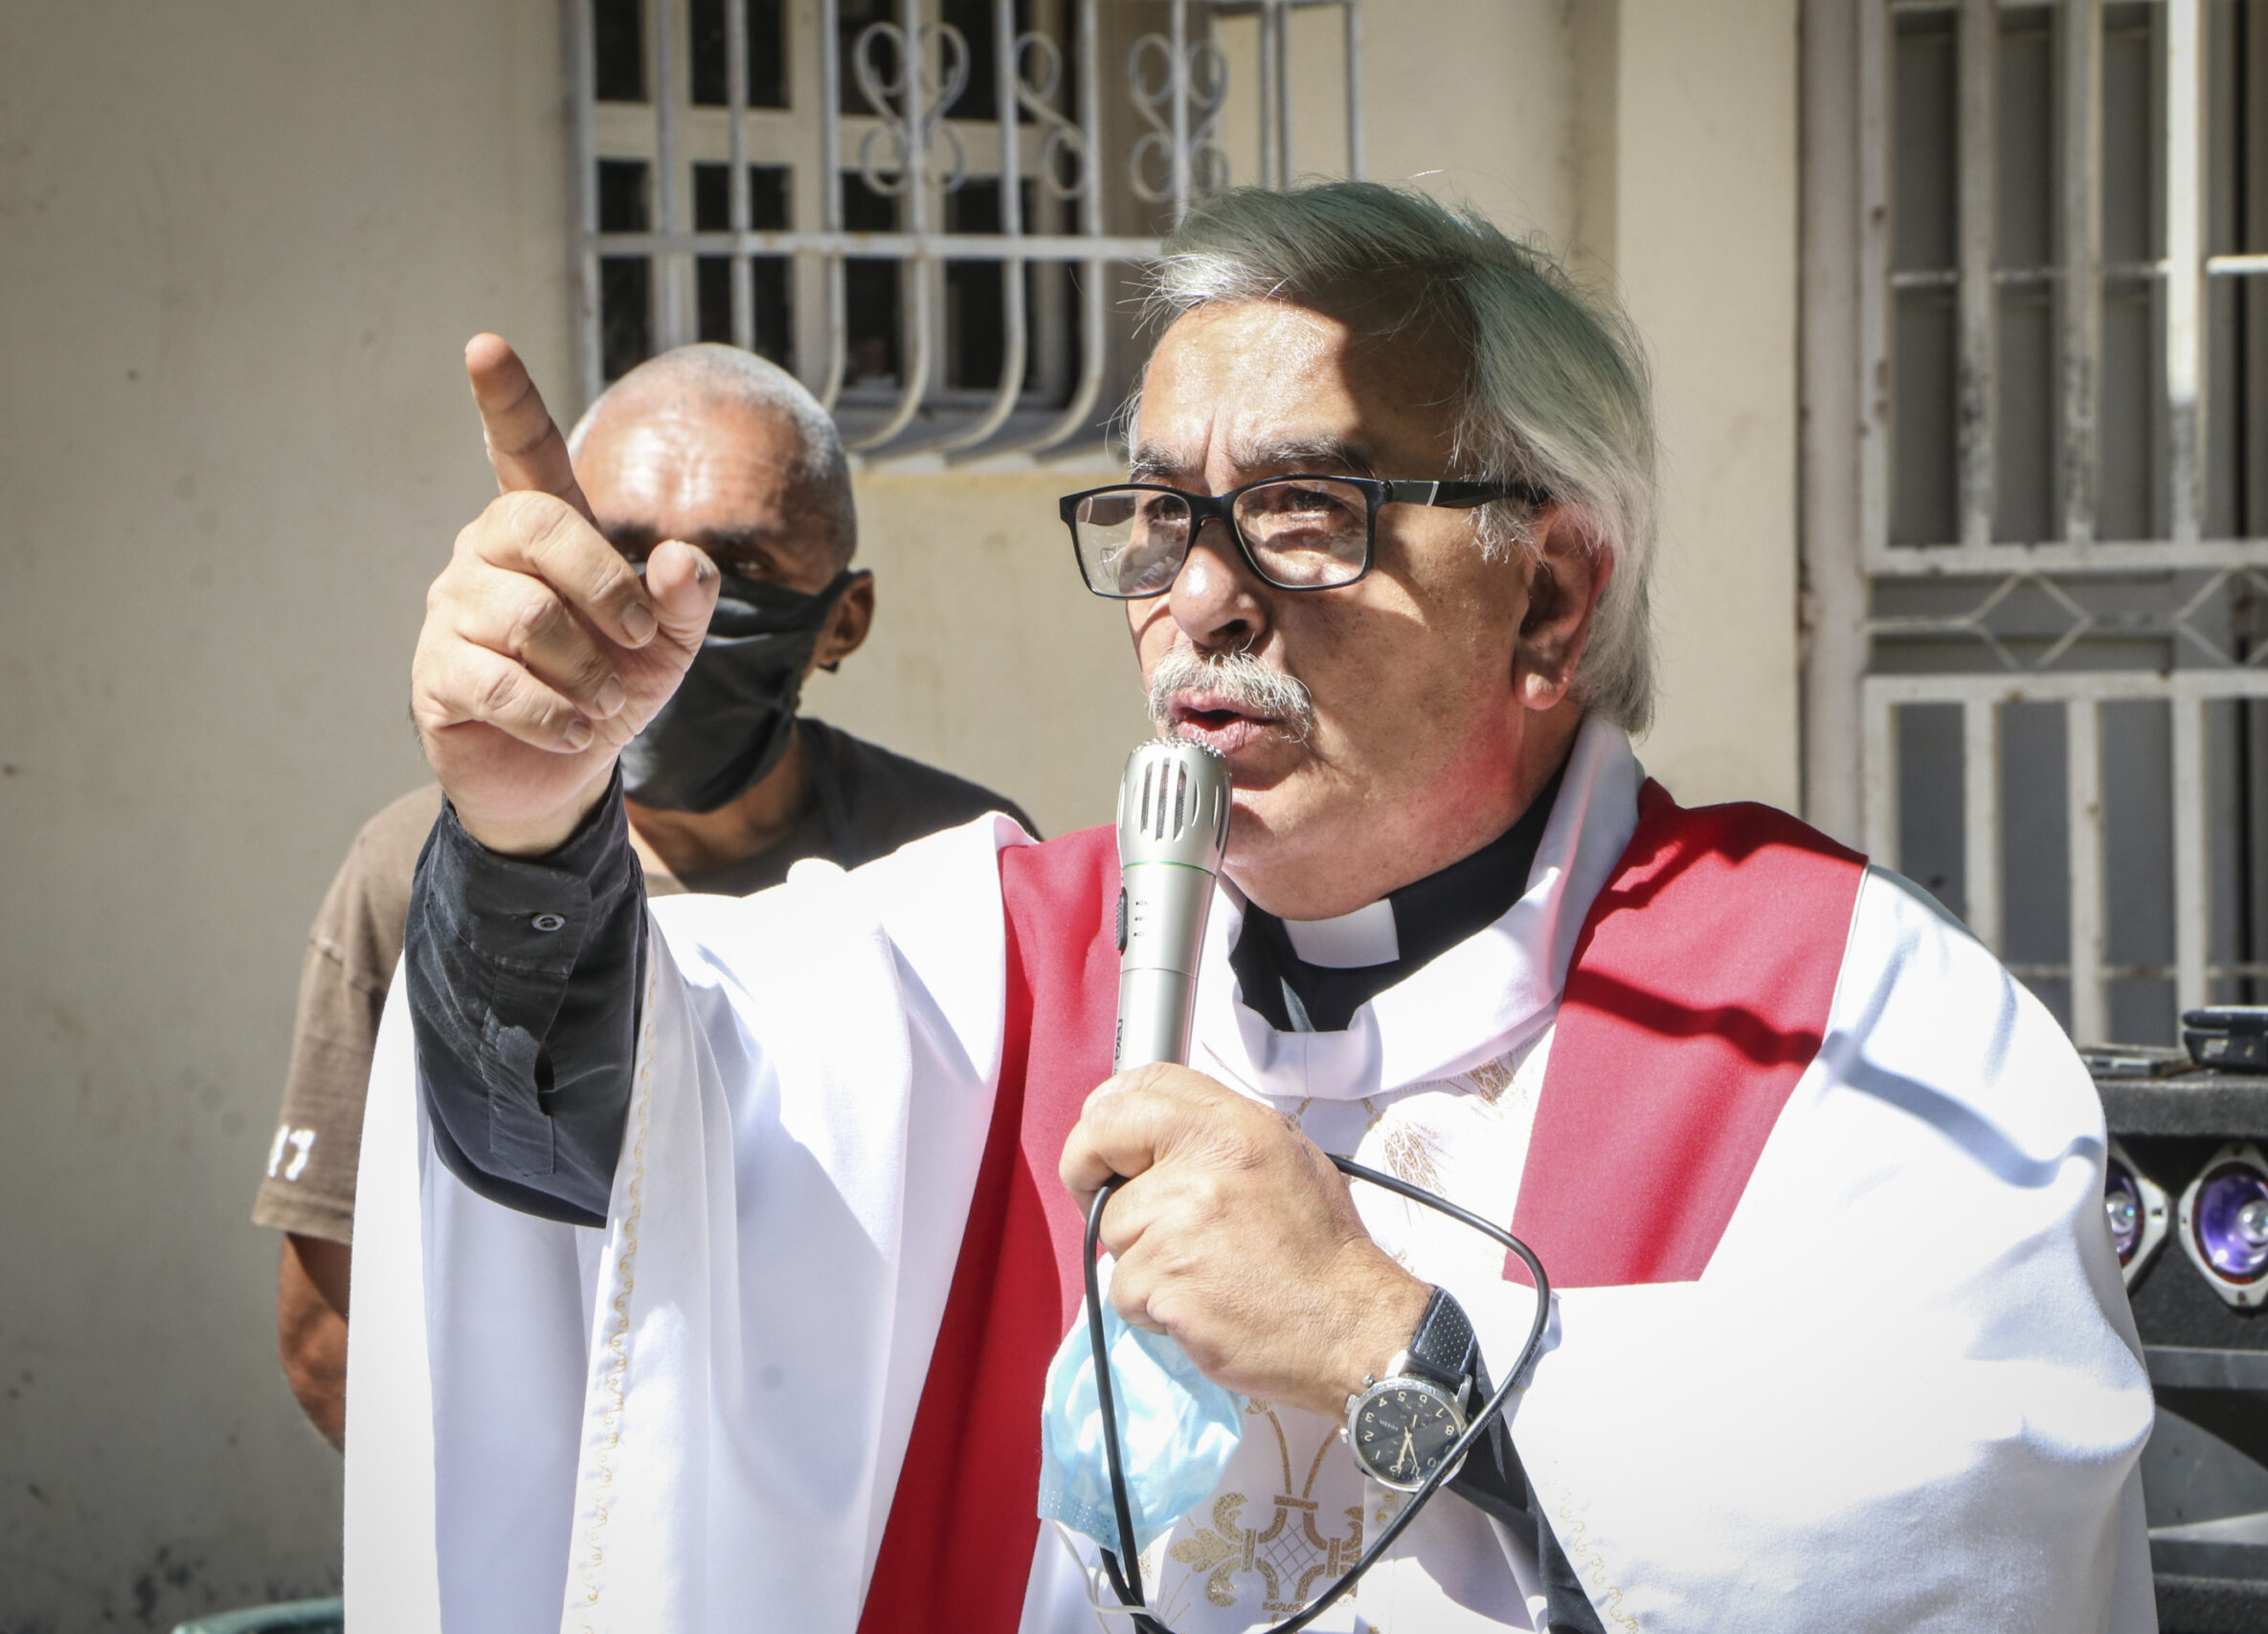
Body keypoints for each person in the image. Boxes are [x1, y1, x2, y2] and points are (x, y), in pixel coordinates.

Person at [349, 184, 2154, 1632]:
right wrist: (523, 827)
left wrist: (1396, 1343)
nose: (1198, 598)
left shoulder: (1833, 1006)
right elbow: (608, 1132)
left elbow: (1972, 1505)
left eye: (1305, 510)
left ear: (1550, 596)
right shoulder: (991, 965)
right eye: (1152, 517)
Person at [251, 341, 1030, 1449]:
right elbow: (335, 1332)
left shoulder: (960, 870)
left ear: (843, 621)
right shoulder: (426, 866)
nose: (663, 607)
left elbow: (1005, 1296)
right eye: (617, 553)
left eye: (735, 569)